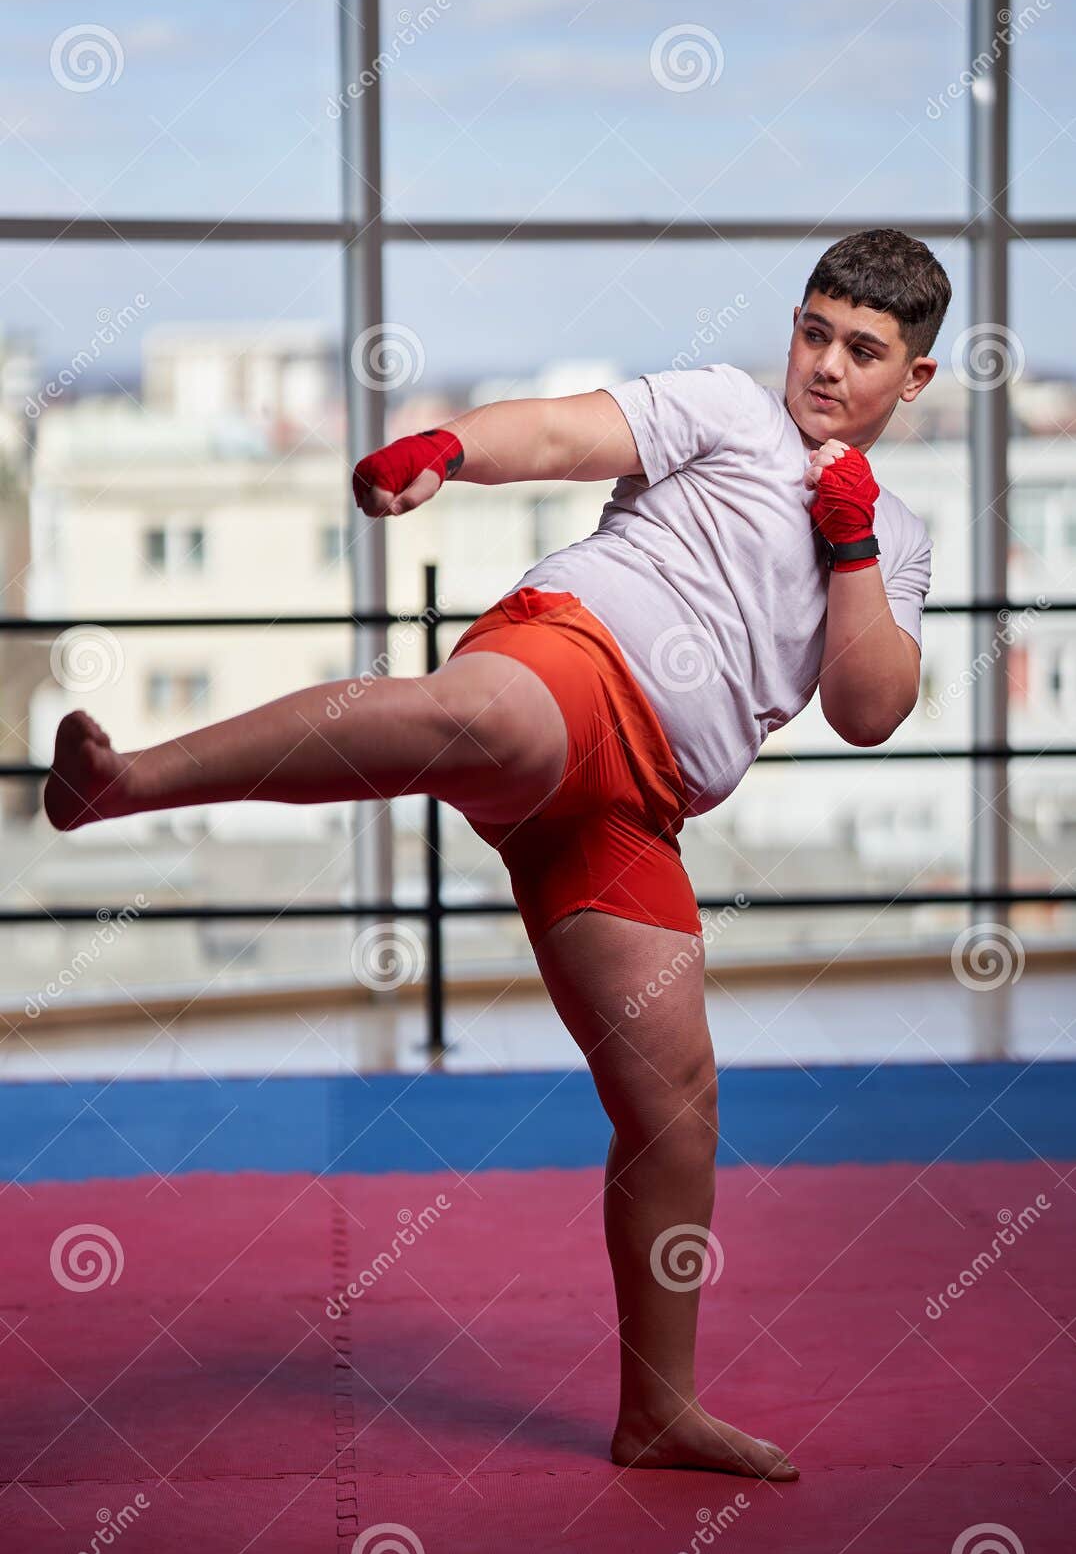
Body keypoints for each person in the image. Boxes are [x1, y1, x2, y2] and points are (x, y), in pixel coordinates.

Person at [43, 226, 951, 1483]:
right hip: (573, 661)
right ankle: (127, 782)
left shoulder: (896, 539)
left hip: (634, 809)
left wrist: (848, 543)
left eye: (862, 351)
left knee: (673, 1105)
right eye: (811, 331)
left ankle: (655, 1409)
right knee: (479, 720)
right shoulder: (726, 413)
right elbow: (570, 431)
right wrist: (450, 452)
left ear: (912, 379)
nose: (823, 367)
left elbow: (868, 705)